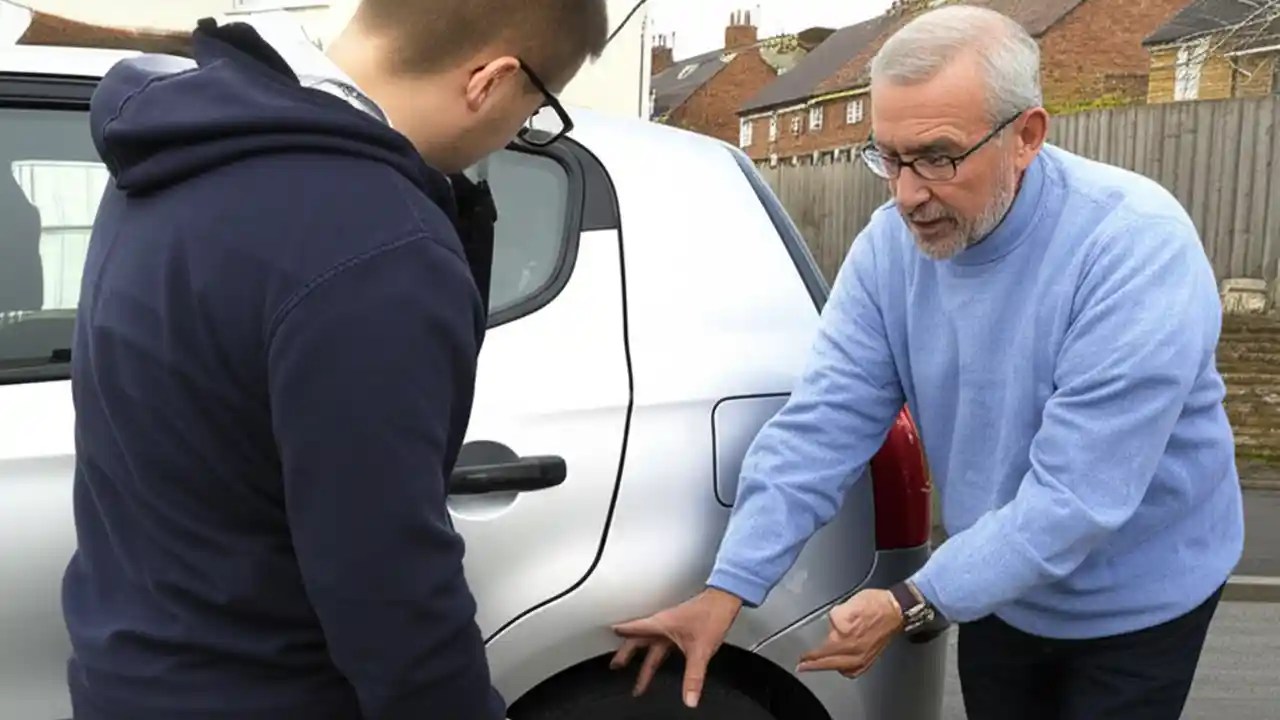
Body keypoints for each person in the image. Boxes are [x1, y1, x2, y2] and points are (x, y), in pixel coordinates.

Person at [610, 6, 1244, 720]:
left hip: (1138, 595)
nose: (908, 194)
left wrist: (914, 600)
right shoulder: (890, 250)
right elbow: (824, 426)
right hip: (995, 582)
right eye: (889, 156)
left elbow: (1077, 495)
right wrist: (727, 589)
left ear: (1027, 136)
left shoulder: (1132, 246)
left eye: (939, 156)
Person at [62, 2, 607, 719]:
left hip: (127, 678)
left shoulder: (175, 148)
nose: (516, 133)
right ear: (491, 81)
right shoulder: (379, 247)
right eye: (534, 111)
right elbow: (391, 595)